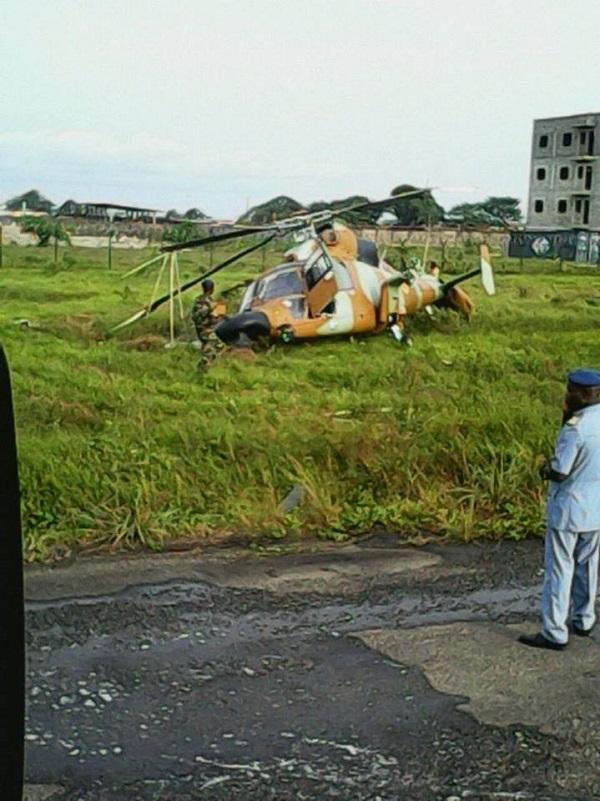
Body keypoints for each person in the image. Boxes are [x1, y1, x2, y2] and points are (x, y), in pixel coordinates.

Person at [519, 368, 600, 651]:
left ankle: (555, 631)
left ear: (575, 394)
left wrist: (544, 468)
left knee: (560, 568)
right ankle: (584, 619)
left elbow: (561, 471)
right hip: (596, 507)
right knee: (588, 565)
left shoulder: (574, 428)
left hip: (569, 508)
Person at [190, 279, 226, 367]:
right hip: (206, 329)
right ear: (211, 289)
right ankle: (202, 366)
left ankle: (207, 365)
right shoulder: (211, 303)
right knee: (219, 347)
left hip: (198, 328)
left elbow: (194, 315)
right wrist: (220, 315)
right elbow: (214, 318)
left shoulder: (198, 299)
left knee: (207, 347)